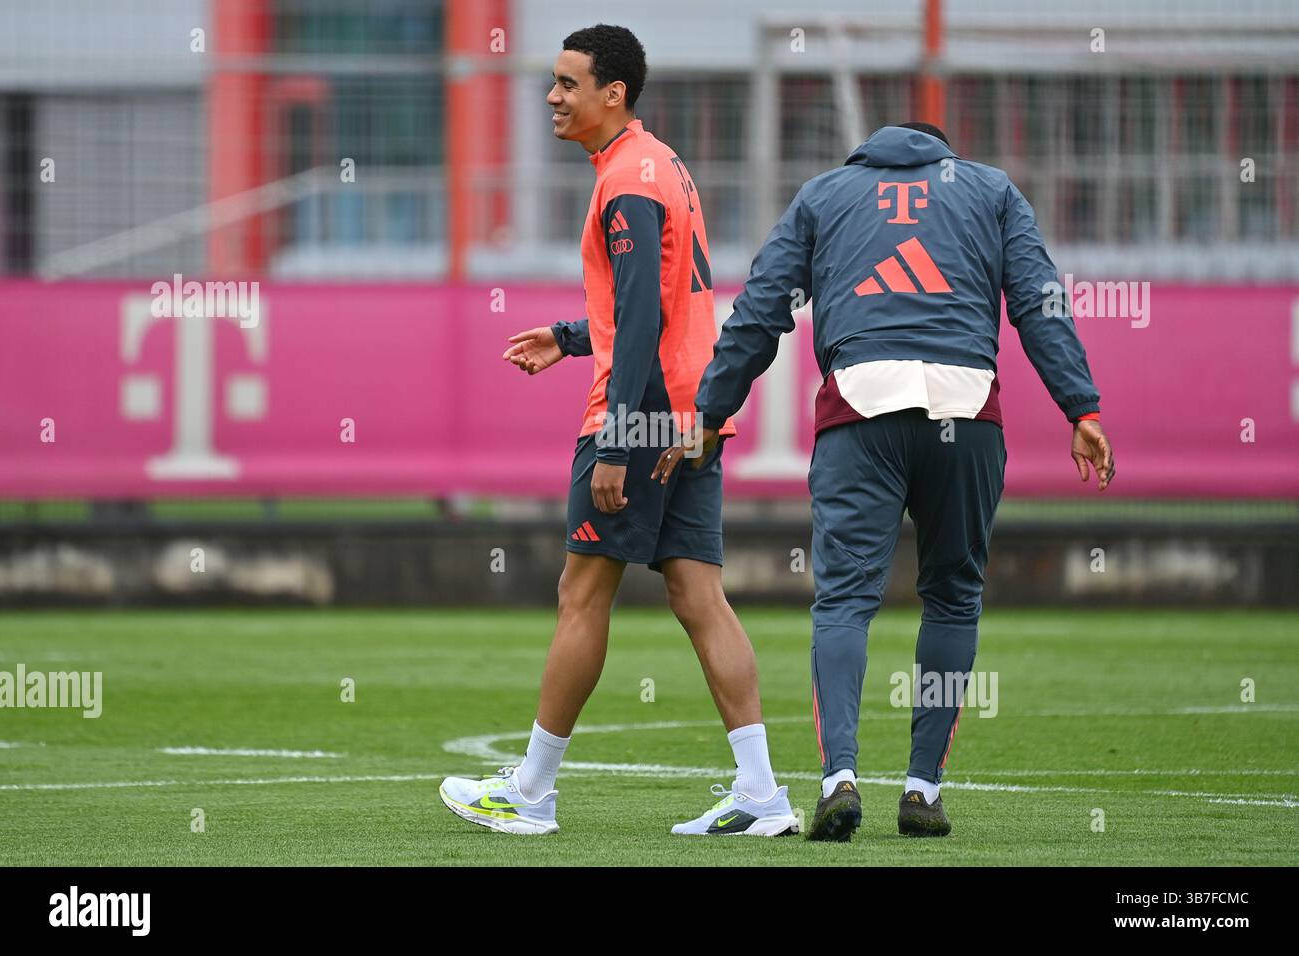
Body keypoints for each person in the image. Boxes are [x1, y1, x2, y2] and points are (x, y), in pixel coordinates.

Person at [654, 121, 1114, 841]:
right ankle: (923, 790)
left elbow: (761, 310)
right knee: (954, 598)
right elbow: (1038, 301)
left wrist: (711, 411)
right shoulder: (990, 190)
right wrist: (1080, 406)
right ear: (944, 156)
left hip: (861, 405)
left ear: (865, 157)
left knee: (843, 599)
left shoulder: (825, 193)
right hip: (966, 408)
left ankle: (839, 778)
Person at [439, 24, 797, 837]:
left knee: (581, 593)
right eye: (553, 82)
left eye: (568, 84)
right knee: (699, 593)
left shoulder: (629, 178)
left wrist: (615, 435)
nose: (553, 98)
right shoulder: (658, 163)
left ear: (615, 94)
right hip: (692, 412)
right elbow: (652, 299)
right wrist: (569, 338)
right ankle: (761, 793)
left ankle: (530, 794)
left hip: (640, 416)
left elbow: (643, 312)